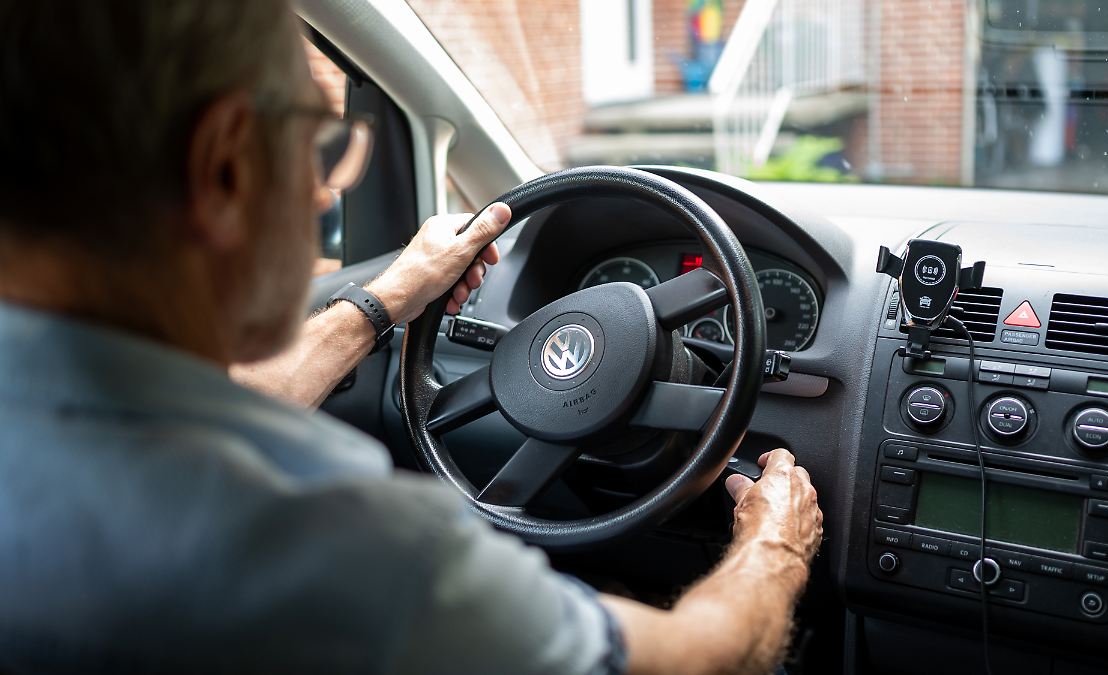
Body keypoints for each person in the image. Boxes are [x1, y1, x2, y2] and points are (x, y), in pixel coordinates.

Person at [0, 1, 824, 674]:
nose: (329, 187)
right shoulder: (351, 552)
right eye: (323, 144)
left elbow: (208, 413)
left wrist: (383, 300)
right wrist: (778, 540)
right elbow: (702, 656)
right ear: (225, 167)